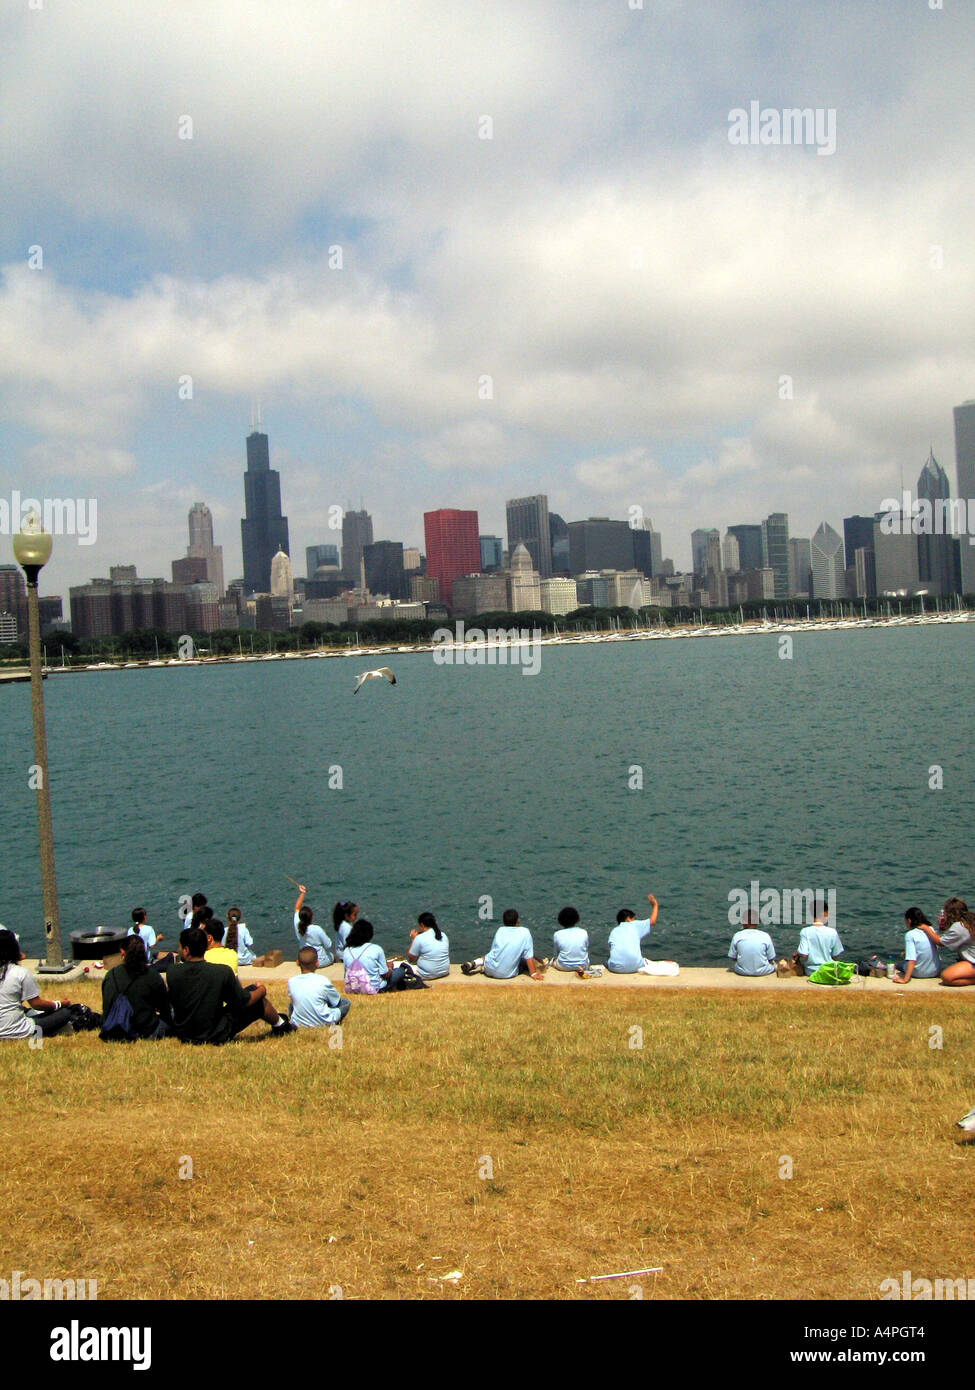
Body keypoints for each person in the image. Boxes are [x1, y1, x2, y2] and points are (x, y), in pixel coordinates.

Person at [166, 926, 293, 1043]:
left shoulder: (172, 971)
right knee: (255, 995)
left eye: (179, 947)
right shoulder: (221, 972)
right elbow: (244, 1001)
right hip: (214, 1034)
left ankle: (280, 1023)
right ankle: (280, 1025)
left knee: (250, 991)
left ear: (186, 950)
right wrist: (261, 990)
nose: (179, 950)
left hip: (184, 1034)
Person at [0, 927, 75, 1040]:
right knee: (65, 1013)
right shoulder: (19, 973)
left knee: (23, 1009)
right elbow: (37, 1004)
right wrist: (59, 1004)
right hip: (17, 1031)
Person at [102, 936, 173, 1039]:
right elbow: (164, 1008)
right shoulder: (152, 975)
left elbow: (106, 1007)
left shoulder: (111, 975)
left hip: (116, 1028)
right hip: (146, 1031)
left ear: (122, 953)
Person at [462, 909, 546, 980]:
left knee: (491, 955)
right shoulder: (525, 932)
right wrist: (533, 974)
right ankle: (480, 965)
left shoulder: (500, 930)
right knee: (524, 962)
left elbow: (493, 953)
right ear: (518, 920)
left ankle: (476, 963)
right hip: (507, 974)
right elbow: (529, 957)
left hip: (489, 970)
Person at [913, 898, 975, 987]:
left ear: (950, 913)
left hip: (973, 962)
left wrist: (926, 928)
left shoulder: (959, 927)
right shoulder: (970, 920)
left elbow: (940, 942)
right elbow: (955, 935)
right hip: (971, 960)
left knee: (947, 977)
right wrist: (944, 926)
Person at [288, 946, 351, 1028]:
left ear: (297, 962)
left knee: (292, 1004)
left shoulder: (292, 981)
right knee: (345, 1003)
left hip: (298, 1022)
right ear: (317, 963)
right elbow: (336, 1001)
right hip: (323, 1022)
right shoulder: (323, 981)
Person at [342, 920, 406, 993]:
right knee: (400, 971)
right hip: (374, 988)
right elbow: (385, 974)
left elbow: (346, 973)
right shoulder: (376, 949)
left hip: (352, 988)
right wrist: (390, 967)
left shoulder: (347, 951)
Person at [607, 893, 659, 973]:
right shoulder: (634, 925)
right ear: (628, 919)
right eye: (634, 919)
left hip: (616, 969)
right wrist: (655, 905)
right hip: (635, 967)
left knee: (607, 961)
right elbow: (652, 921)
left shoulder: (614, 931)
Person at [893, 908, 942, 983]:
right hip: (935, 971)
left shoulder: (910, 934)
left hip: (919, 973)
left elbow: (912, 960)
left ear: (909, 921)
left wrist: (905, 979)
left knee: (898, 966)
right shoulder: (930, 929)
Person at [796, 899, 843, 976]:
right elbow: (835, 954)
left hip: (811, 971)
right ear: (825, 913)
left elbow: (803, 954)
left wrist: (797, 953)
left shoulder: (805, 931)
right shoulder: (832, 932)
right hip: (828, 971)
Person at [293, 886, 334, 967]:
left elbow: (297, 908)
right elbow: (328, 945)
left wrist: (302, 893)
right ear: (311, 916)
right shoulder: (317, 929)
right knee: (333, 956)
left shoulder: (298, 925)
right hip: (318, 962)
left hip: (304, 960)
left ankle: (300, 961)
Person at [728, 910, 776, 977]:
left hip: (742, 971)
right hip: (763, 971)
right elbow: (771, 958)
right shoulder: (765, 936)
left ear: (744, 922)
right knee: (774, 965)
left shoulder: (737, 935)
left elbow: (732, 957)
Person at [407, 912, 450, 981]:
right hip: (444, 971)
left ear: (422, 925)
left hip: (427, 974)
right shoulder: (443, 935)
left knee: (403, 967)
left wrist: (413, 939)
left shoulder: (419, 938)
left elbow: (412, 957)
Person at [551, 906, 591, 974]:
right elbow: (586, 949)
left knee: (552, 961)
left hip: (563, 967)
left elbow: (556, 954)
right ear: (577, 919)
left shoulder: (557, 934)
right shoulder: (583, 932)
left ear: (560, 920)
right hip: (583, 966)